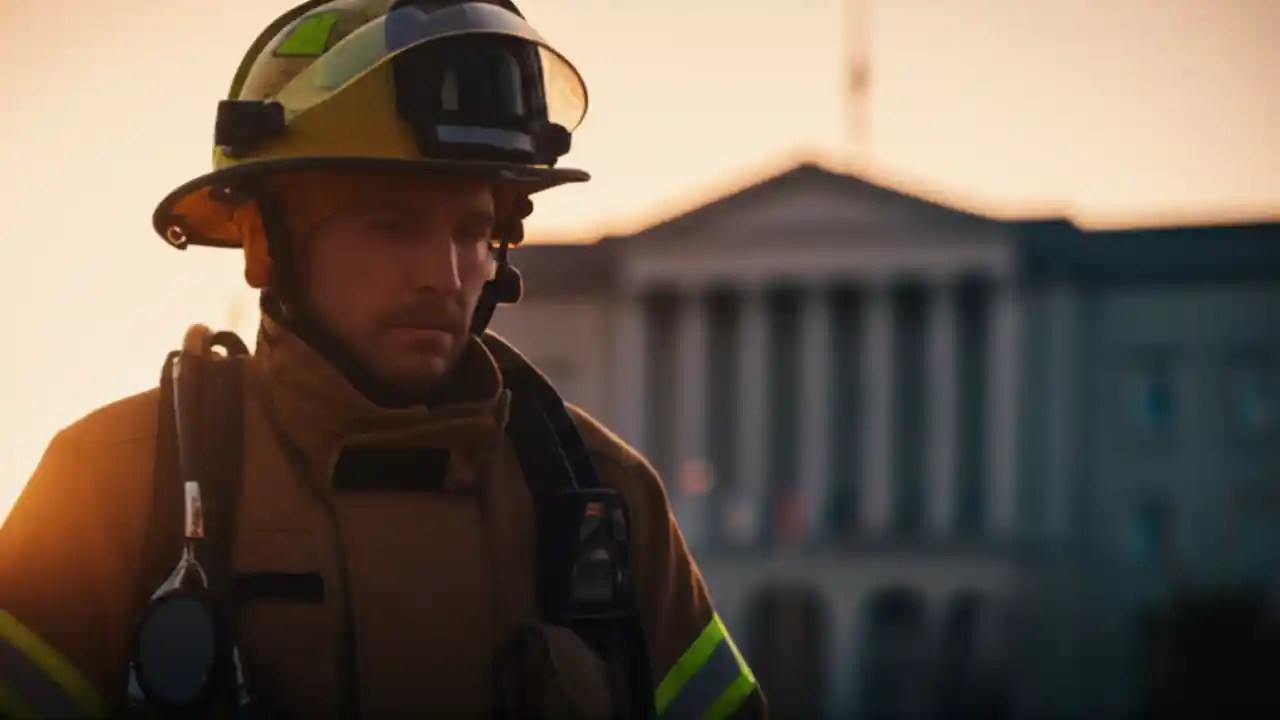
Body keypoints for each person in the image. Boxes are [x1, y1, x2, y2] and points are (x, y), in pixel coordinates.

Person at [0, 1, 766, 718]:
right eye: (391, 225)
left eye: (472, 231)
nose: (447, 272)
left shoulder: (606, 496)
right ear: (267, 242)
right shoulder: (111, 487)